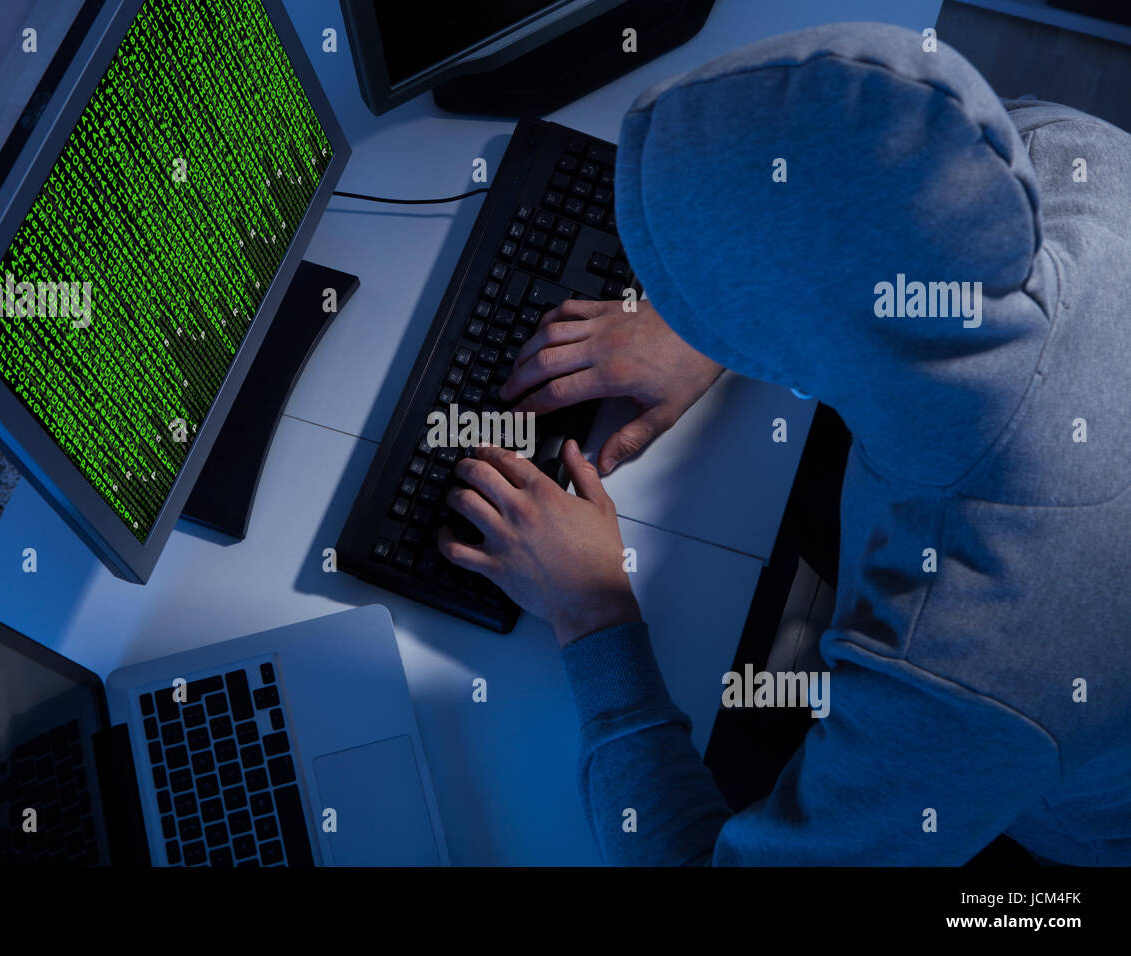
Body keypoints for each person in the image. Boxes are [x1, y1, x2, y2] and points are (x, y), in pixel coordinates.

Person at [437, 22, 1131, 865]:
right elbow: (887, 208)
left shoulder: (960, 672)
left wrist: (593, 610)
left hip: (1049, 808)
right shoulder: (1070, 156)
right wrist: (721, 324)